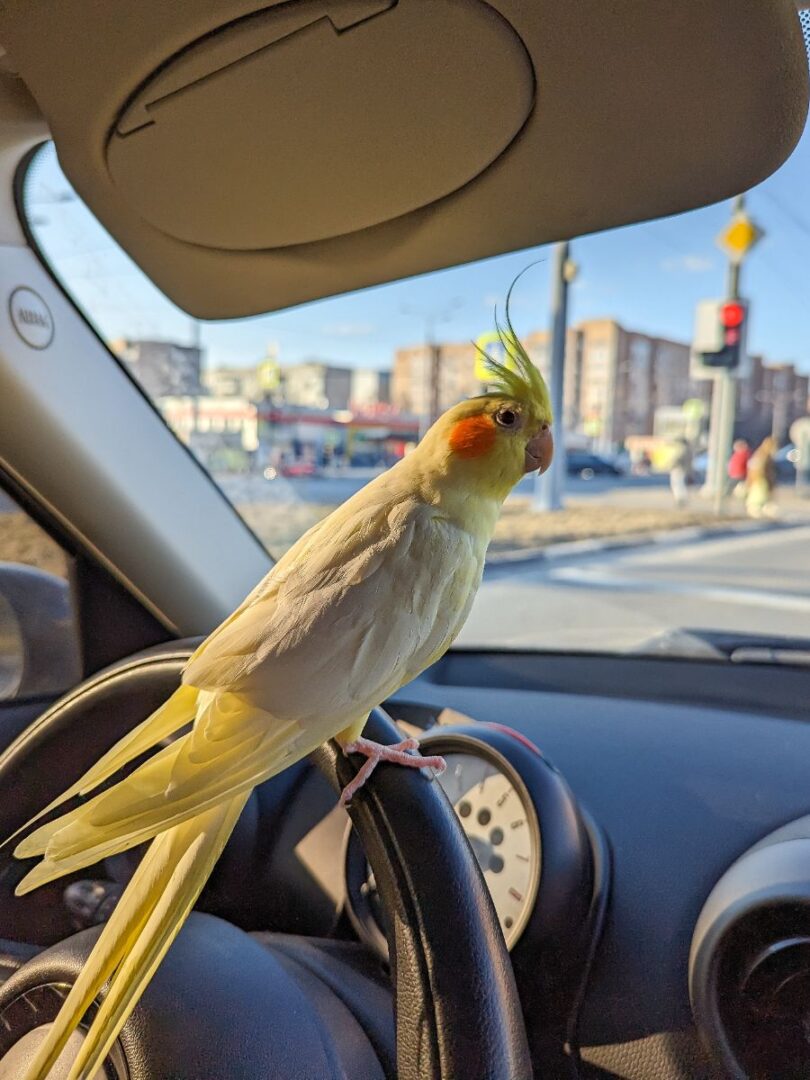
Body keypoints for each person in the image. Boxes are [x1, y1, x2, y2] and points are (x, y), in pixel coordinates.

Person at [745, 436, 778, 518]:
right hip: (759, 480)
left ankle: (763, 510)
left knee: (763, 496)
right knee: (758, 496)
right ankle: (755, 510)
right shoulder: (761, 455)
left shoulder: (766, 456)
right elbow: (754, 468)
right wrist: (754, 479)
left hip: (763, 480)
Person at [669, 437, 692, 507]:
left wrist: (672, 464)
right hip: (682, 469)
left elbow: (678, 460)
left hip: (678, 469)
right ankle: (681, 499)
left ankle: (680, 500)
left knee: (677, 485)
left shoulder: (683, 450)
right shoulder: (688, 450)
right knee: (680, 485)